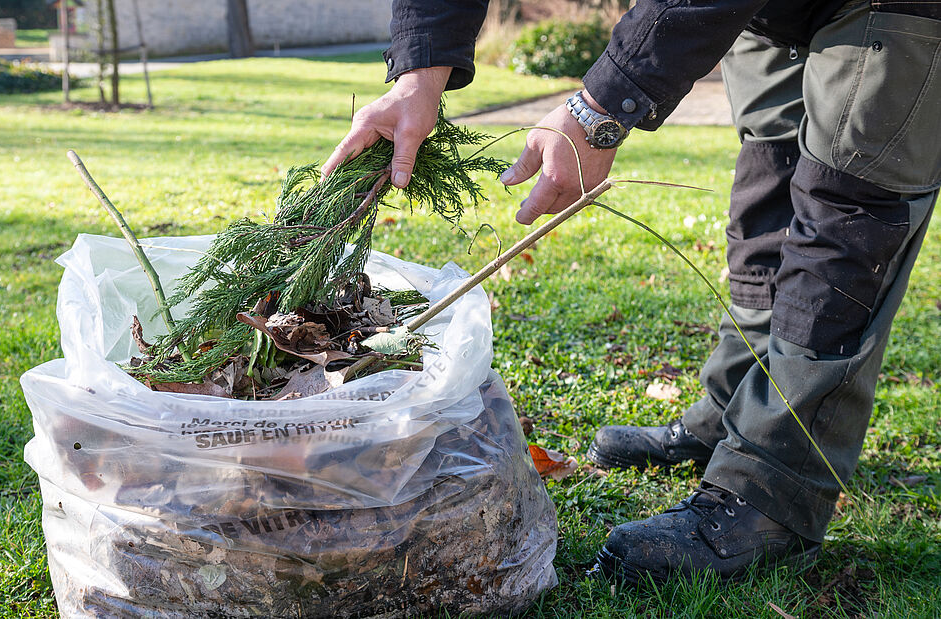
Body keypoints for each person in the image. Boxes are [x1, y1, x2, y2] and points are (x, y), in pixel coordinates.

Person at [323, 0, 941, 584]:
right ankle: (734, 410)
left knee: (844, 219)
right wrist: (418, 74)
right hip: (766, 14)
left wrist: (599, 108)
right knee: (766, 192)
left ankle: (773, 490)